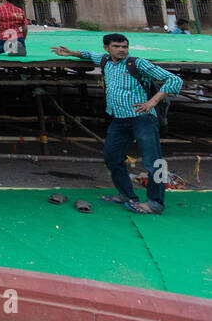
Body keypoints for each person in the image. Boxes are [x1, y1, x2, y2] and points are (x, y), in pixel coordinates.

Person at [51, 34, 182, 215]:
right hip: (119, 120)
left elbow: (174, 80)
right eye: (117, 46)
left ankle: (155, 203)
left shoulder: (137, 63)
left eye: (125, 46)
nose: (122, 50)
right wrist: (71, 52)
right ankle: (127, 195)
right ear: (107, 48)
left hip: (143, 119)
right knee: (112, 157)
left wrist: (152, 102)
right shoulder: (105, 60)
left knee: (154, 162)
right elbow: (90, 54)